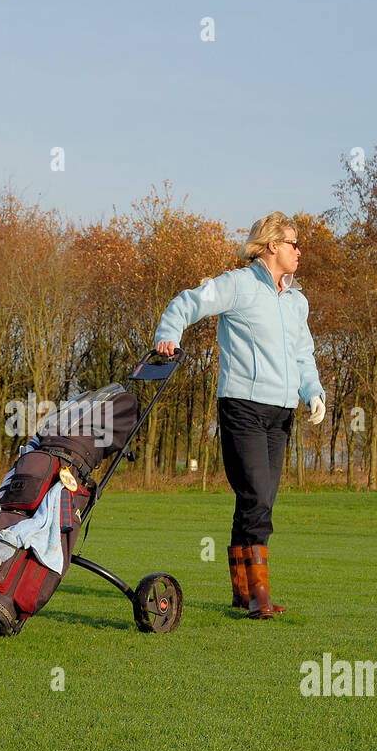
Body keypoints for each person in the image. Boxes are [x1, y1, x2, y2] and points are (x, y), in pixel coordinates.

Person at [153, 211, 326, 618]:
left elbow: (304, 354)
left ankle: (242, 590)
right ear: (272, 247)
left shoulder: (296, 301)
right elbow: (189, 301)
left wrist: (313, 392)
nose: (300, 251)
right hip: (242, 408)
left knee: (257, 500)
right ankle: (259, 593)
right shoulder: (239, 285)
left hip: (280, 414)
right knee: (257, 496)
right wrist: (168, 334)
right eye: (293, 244)